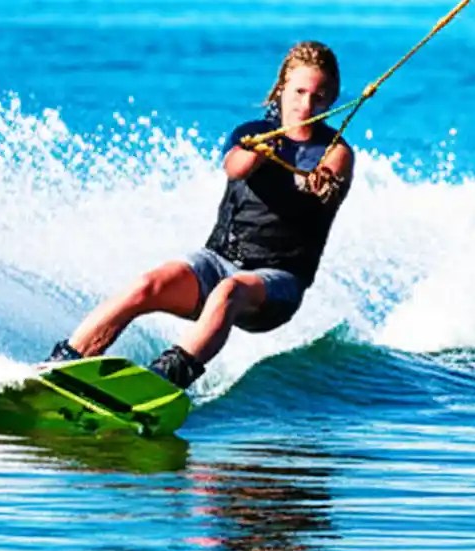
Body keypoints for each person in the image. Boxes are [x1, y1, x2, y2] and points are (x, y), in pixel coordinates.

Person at [47, 41, 355, 389]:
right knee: (149, 285)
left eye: (319, 95)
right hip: (219, 259)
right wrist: (259, 153)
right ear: (282, 87)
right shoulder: (249, 134)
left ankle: (163, 380)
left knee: (229, 290)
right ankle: (66, 362)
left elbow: (332, 177)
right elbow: (235, 168)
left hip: (276, 283)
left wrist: (320, 182)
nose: (306, 104)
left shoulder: (335, 151)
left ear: (331, 100)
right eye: (299, 91)